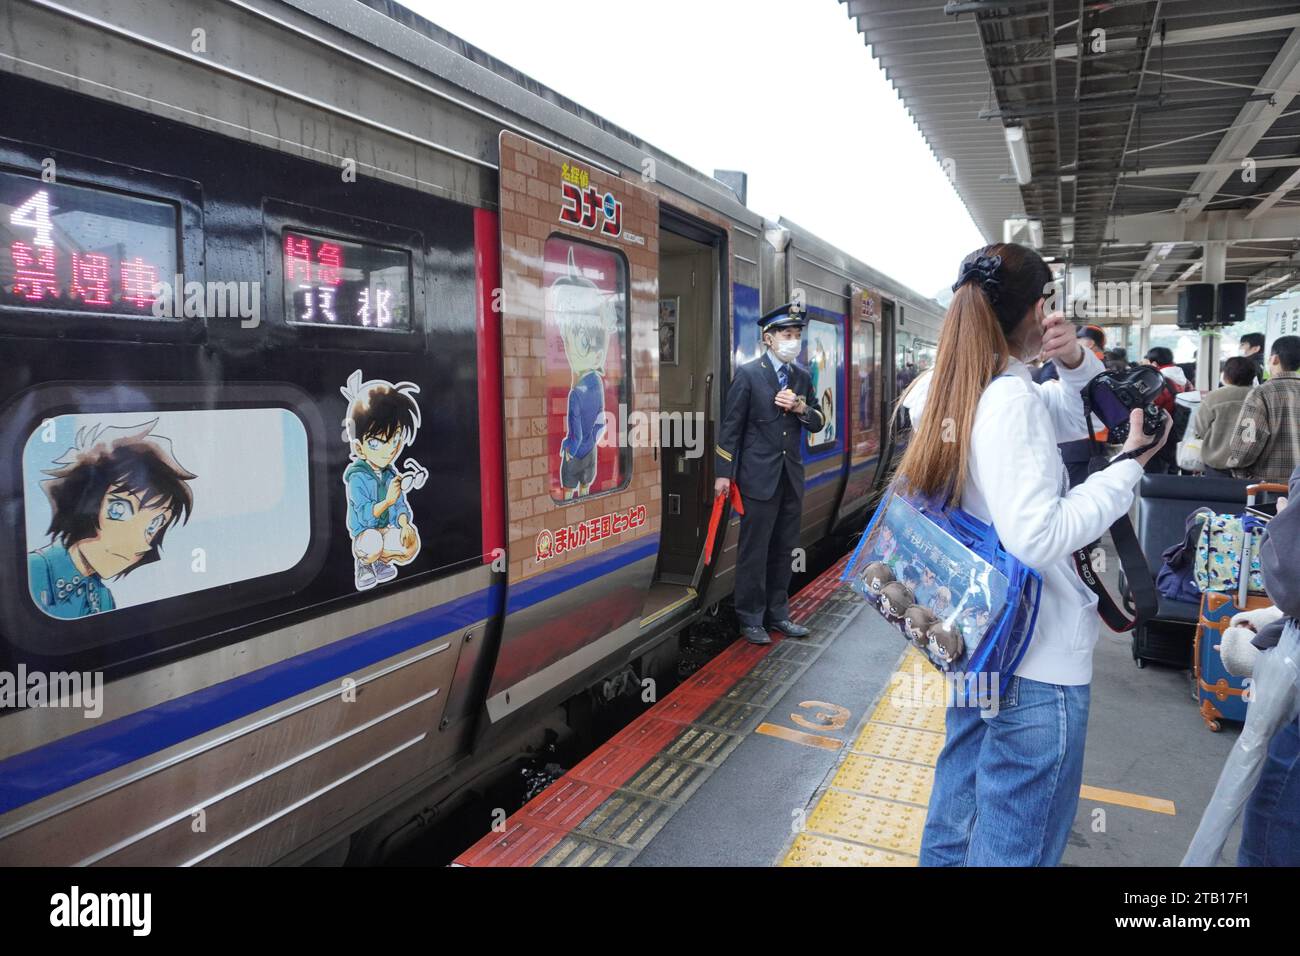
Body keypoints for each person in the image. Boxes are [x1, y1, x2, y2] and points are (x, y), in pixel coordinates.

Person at [898, 243, 1170, 867]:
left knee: (956, 819)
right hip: (1036, 659)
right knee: (1013, 848)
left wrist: (1074, 360)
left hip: (979, 639)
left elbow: (1069, 417)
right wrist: (1129, 465)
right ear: (1035, 307)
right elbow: (1038, 536)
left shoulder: (947, 390)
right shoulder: (1009, 399)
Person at [715, 302, 826, 645]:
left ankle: (779, 614)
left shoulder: (802, 377)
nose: (793, 341)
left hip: (789, 477)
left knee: (783, 548)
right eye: (787, 335)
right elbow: (731, 429)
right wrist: (723, 473)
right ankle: (750, 618)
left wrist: (801, 407)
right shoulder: (749, 375)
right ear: (768, 339)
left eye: (797, 336)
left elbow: (820, 422)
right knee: (754, 549)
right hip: (756, 479)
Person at [28, 419, 196, 618]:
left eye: (153, 526)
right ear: (82, 502)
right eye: (119, 509)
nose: (140, 544)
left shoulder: (104, 598)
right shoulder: (32, 573)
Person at [1226, 335, 1300, 484]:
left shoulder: (1262, 393)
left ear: (1274, 359)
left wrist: (1235, 465)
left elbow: (1247, 444)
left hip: (1269, 485)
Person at [1193, 356, 1256, 477]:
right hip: (1250, 464)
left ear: (1226, 375)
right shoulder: (1260, 396)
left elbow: (1200, 429)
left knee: (1217, 494)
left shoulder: (1214, 397)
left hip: (1217, 462)